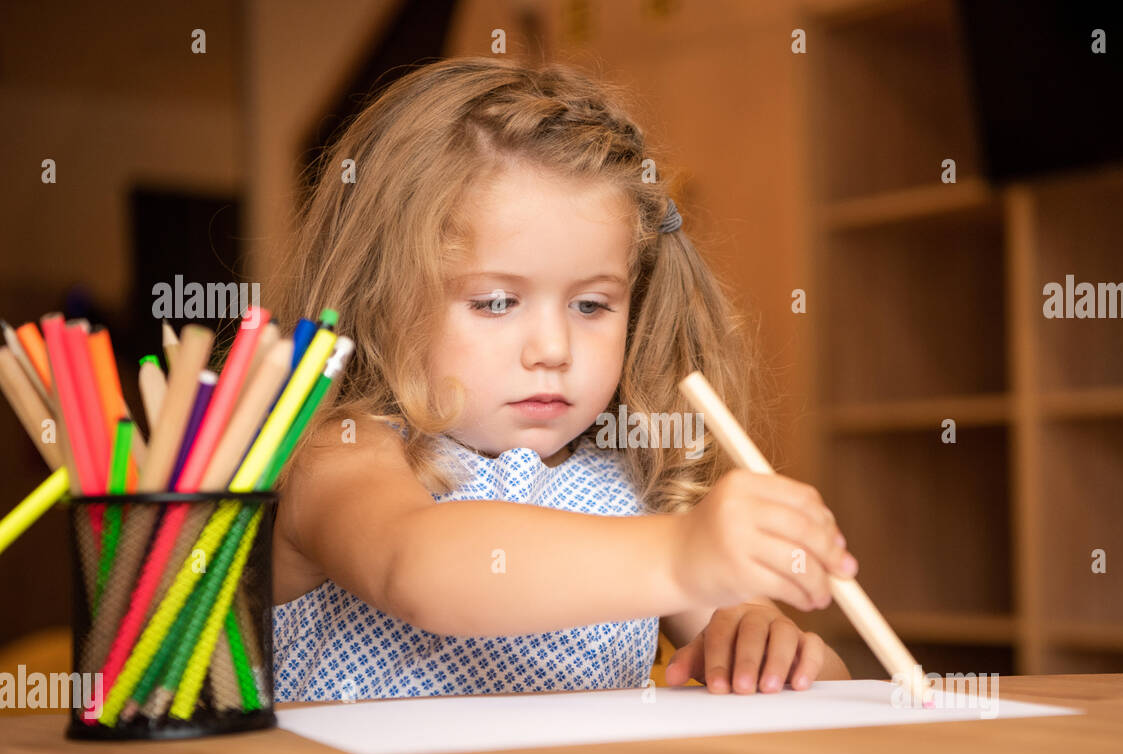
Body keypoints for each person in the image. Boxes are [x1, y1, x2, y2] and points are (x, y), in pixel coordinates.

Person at [269, 57, 854, 702]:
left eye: (591, 305)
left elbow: (828, 686)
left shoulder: (633, 480)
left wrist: (764, 642)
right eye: (495, 303)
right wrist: (681, 555)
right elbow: (420, 569)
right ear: (382, 296)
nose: (552, 349)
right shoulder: (343, 450)